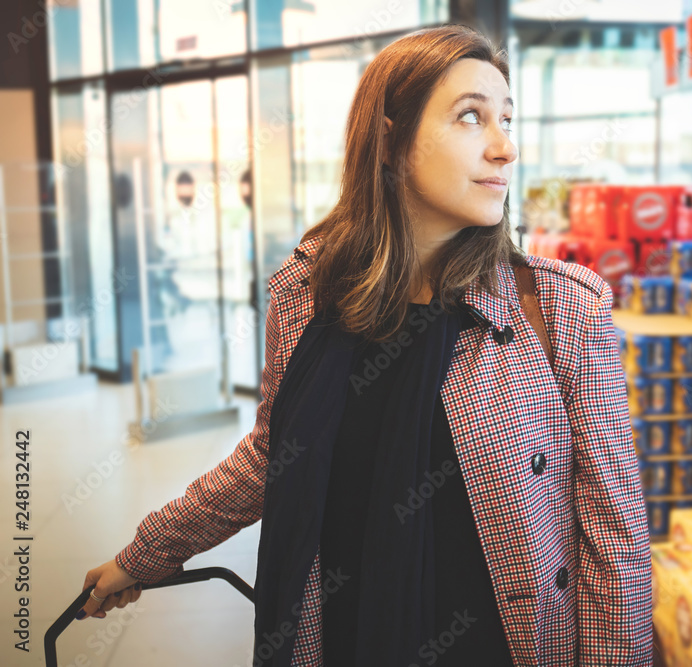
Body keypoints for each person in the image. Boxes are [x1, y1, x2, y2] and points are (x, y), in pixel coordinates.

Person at [77, 24, 652, 666]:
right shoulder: (311, 295)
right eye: (471, 118)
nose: (504, 148)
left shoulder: (561, 308)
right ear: (388, 137)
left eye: (508, 121)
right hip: (346, 638)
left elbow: (614, 539)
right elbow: (274, 457)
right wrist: (147, 554)